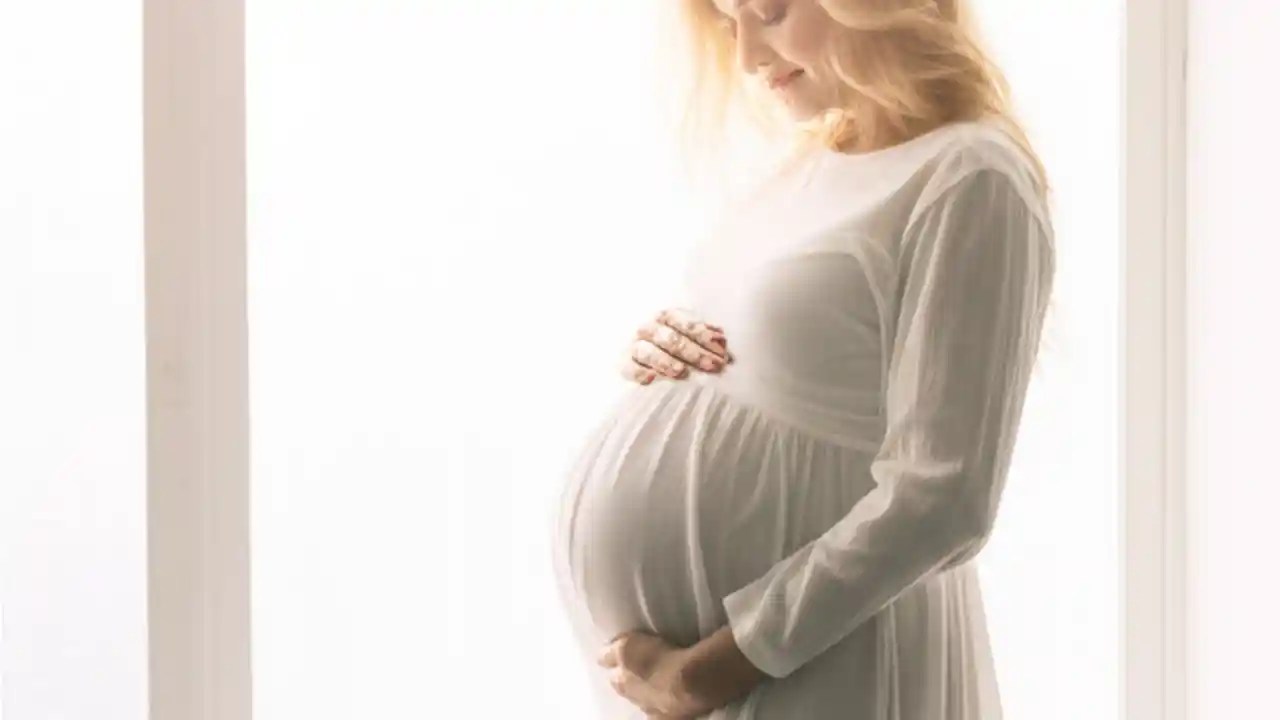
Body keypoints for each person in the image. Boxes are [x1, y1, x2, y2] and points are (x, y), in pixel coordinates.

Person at [549, 0, 1055, 717]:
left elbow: (943, 497)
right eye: (730, 22)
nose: (750, 54)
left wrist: (718, 666)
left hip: (810, 662)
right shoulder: (813, 162)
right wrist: (662, 353)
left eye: (770, 12)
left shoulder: (971, 174)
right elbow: (766, 350)